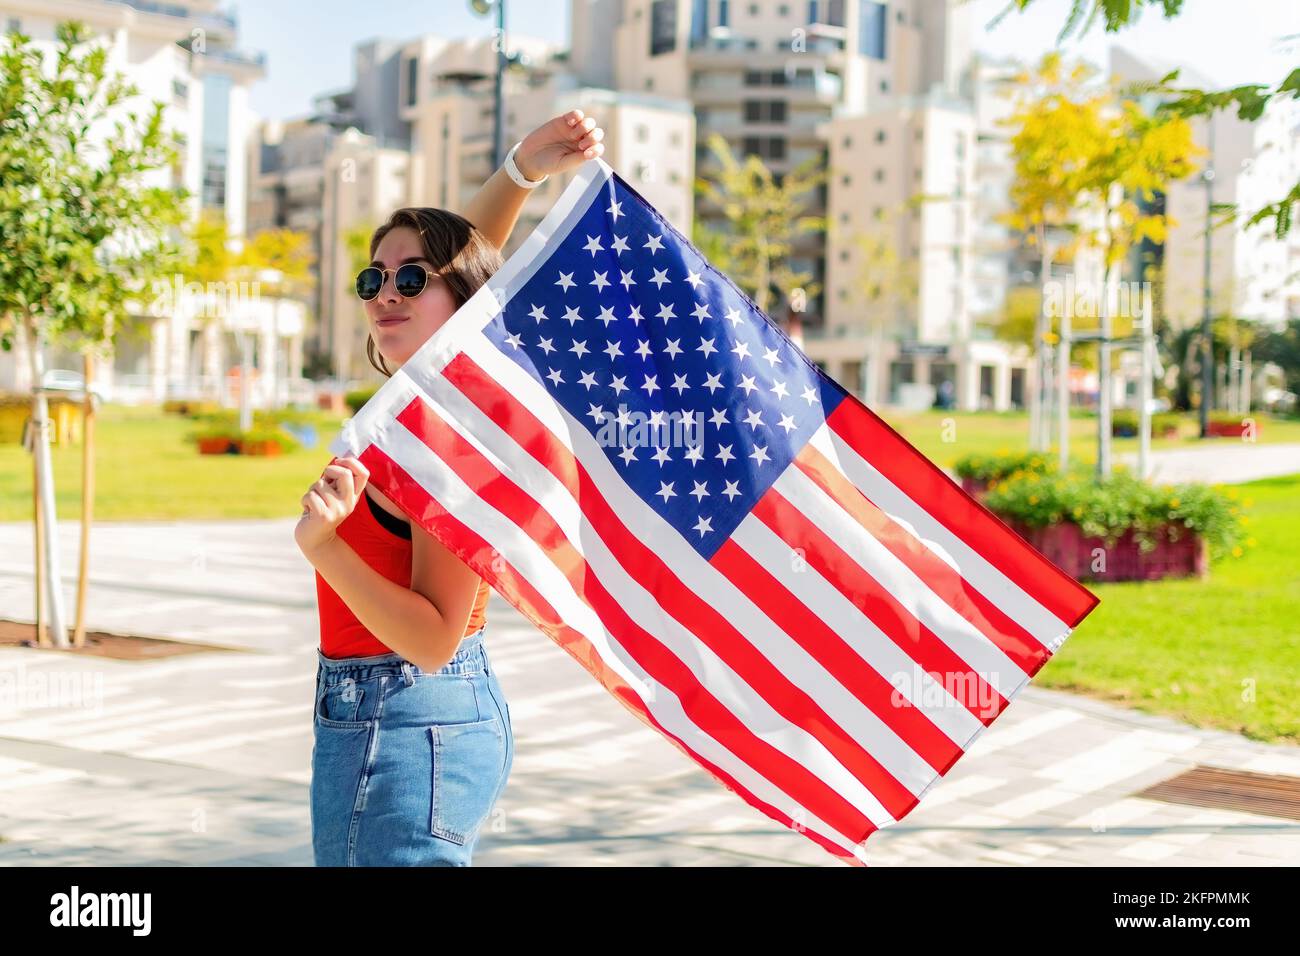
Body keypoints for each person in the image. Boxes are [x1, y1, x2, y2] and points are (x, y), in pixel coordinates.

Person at [294, 110, 606, 866]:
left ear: (464, 301)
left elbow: (435, 637)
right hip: (387, 717)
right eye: (374, 279)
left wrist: (324, 550)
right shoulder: (428, 403)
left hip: (404, 718)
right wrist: (521, 171)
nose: (385, 294)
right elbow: (456, 261)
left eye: (407, 280)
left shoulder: (450, 439)